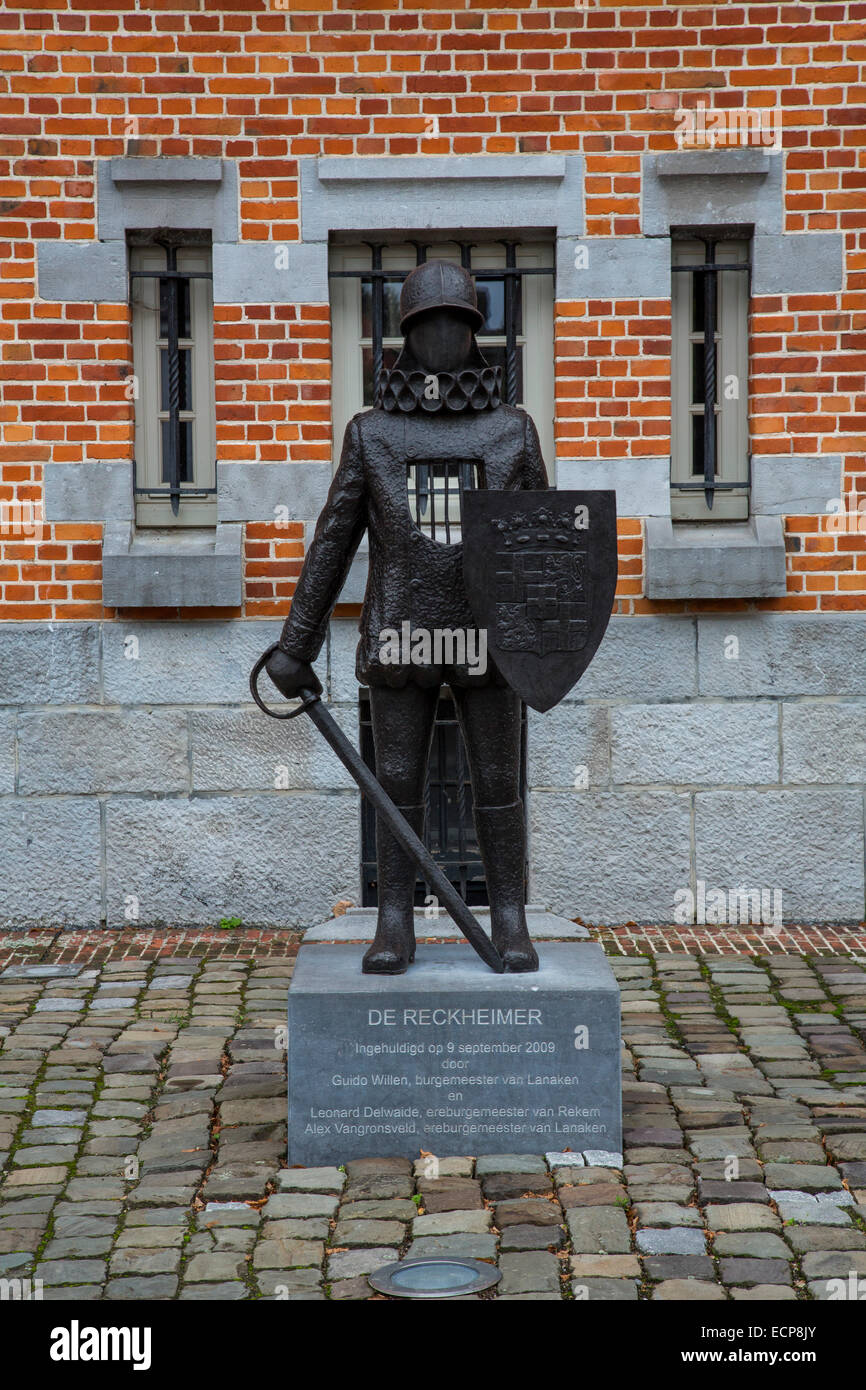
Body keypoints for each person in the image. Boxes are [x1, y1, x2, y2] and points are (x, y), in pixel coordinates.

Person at [261, 259, 549, 974]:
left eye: (456, 325)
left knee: (497, 782)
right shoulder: (373, 435)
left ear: (477, 334)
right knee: (395, 780)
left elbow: (545, 544)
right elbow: (334, 539)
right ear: (407, 337)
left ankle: (509, 914)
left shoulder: (512, 433)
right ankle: (394, 920)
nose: (443, 338)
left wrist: (542, 641)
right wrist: (296, 643)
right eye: (430, 326)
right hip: (400, 632)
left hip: (487, 639)